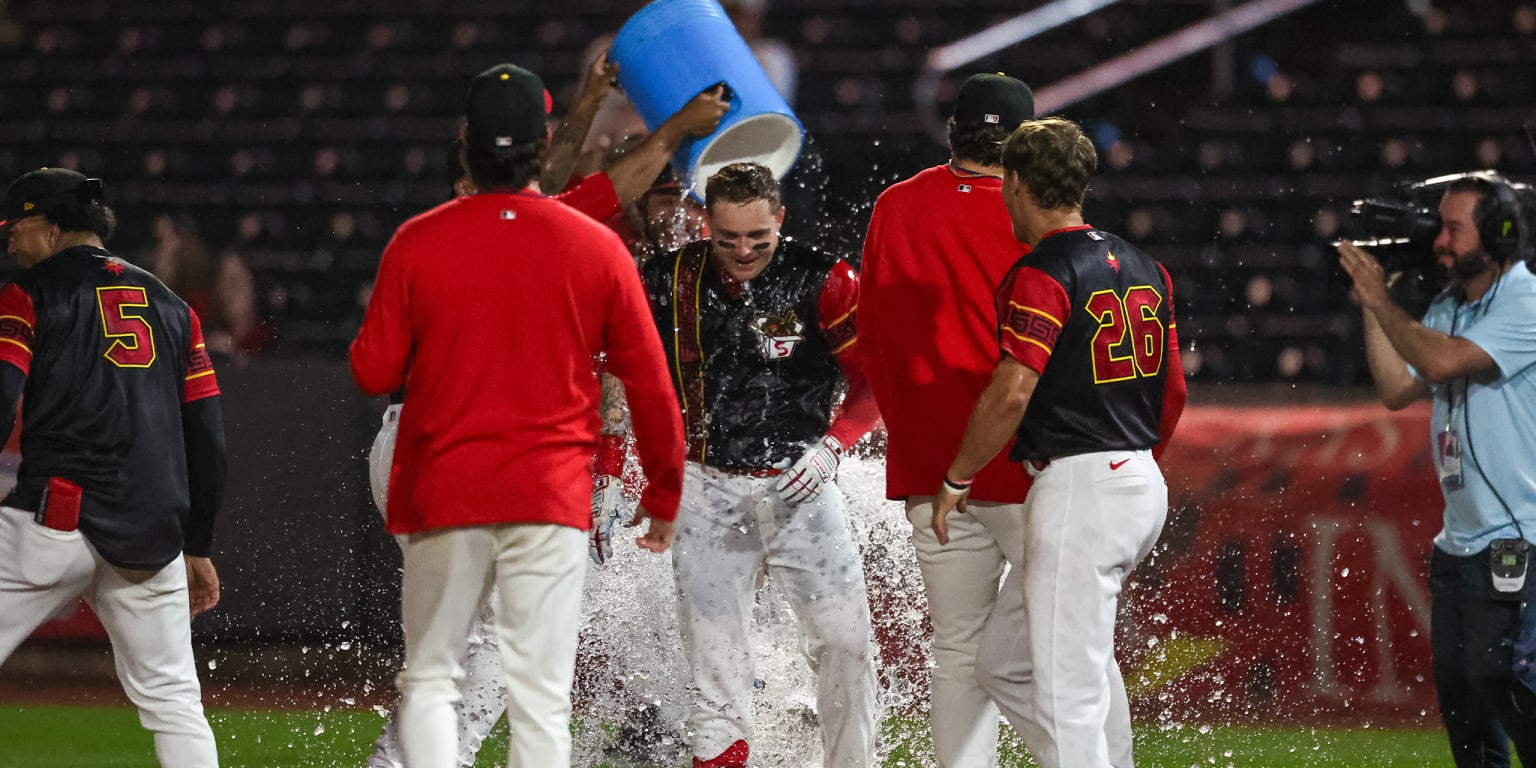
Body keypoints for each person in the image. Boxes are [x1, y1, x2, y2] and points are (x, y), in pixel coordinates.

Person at [360, 67, 727, 768]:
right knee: (522, 662)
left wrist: (594, 101)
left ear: (467, 149)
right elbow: (648, 382)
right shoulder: (580, 240)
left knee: (445, 656)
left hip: (420, 455)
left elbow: (371, 370)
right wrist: (678, 128)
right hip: (523, 468)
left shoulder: (420, 239)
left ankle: (405, 759)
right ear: (542, 145)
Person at [932, 117, 1186, 768]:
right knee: (1003, 664)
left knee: (1070, 696)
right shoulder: (1145, 266)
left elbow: (1011, 392)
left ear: (1015, 183)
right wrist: (1131, 471)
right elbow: (1174, 393)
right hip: (1139, 480)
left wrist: (958, 476)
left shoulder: (1042, 272)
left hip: (1082, 485)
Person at [641, 162, 882, 768]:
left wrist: (833, 448)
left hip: (802, 485)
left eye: (757, 237)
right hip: (704, 487)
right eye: (727, 239)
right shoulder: (668, 279)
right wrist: (620, 460)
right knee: (715, 664)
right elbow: (623, 370)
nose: (743, 251)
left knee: (847, 645)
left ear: (780, 219)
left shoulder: (826, 279)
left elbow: (875, 385)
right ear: (706, 225)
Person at [0, 167, 228, 768]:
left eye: (17, 228)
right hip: (151, 536)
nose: (11, 242)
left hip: (54, 517)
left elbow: (1, 398)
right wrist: (196, 544)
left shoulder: (30, 293)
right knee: (176, 702)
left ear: (51, 230)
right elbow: (208, 439)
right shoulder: (174, 306)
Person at [858, 72, 1035, 767]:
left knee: (958, 649)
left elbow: (870, 339)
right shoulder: (1037, 210)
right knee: (1063, 642)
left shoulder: (896, 205)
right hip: (1025, 462)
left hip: (932, 467)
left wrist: (912, 429)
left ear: (953, 129)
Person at [1338, 171, 1536, 767]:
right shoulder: (1450, 304)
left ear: (1500, 235)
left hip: (1519, 538)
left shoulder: (1527, 300)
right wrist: (1375, 306)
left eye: (1454, 228)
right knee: (1463, 694)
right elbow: (1399, 388)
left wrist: (1381, 301)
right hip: (1461, 543)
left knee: (1510, 685)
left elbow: (1443, 362)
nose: (1438, 240)